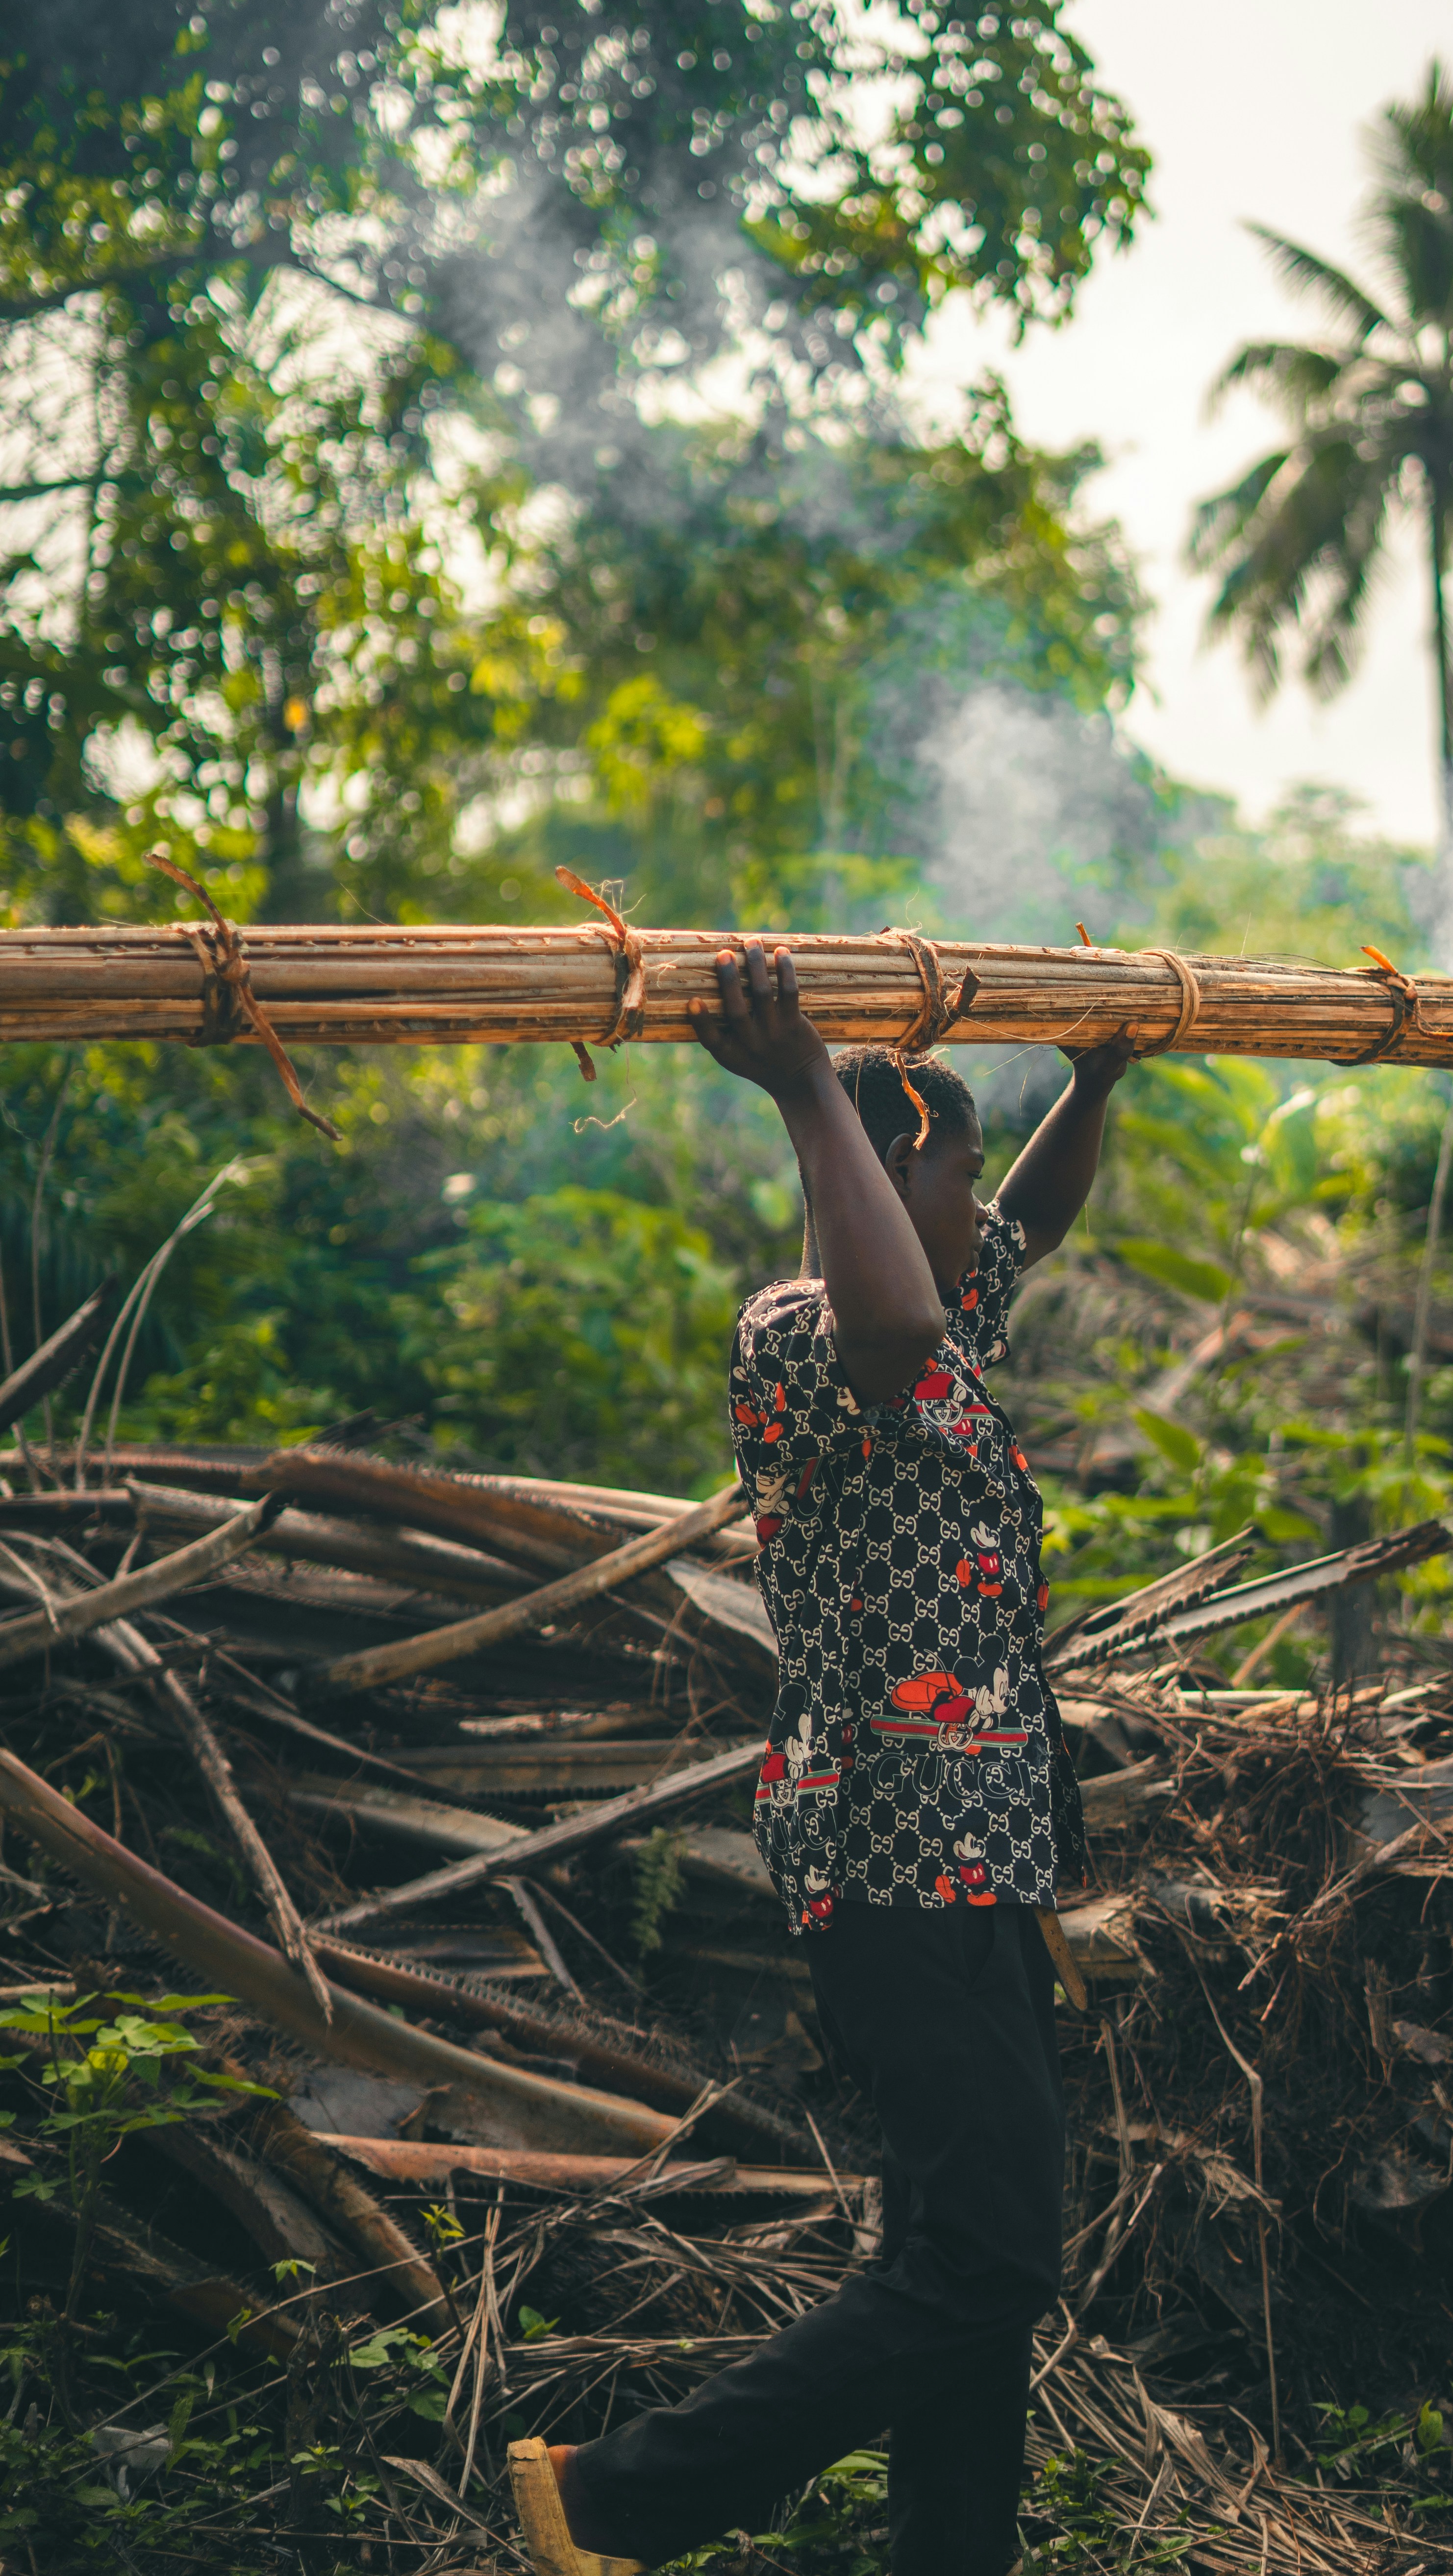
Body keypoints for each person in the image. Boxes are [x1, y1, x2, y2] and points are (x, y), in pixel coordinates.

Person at [509, 941, 1133, 2576]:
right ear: (895, 1161)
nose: (986, 1208)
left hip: (978, 1853)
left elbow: (1032, 1232)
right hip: (890, 1851)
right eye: (960, 1170)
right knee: (997, 2255)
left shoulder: (929, 1328)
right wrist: (802, 1084)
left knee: (957, 2242)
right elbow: (905, 1300)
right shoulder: (814, 1337)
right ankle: (618, 2500)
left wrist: (1095, 1082)